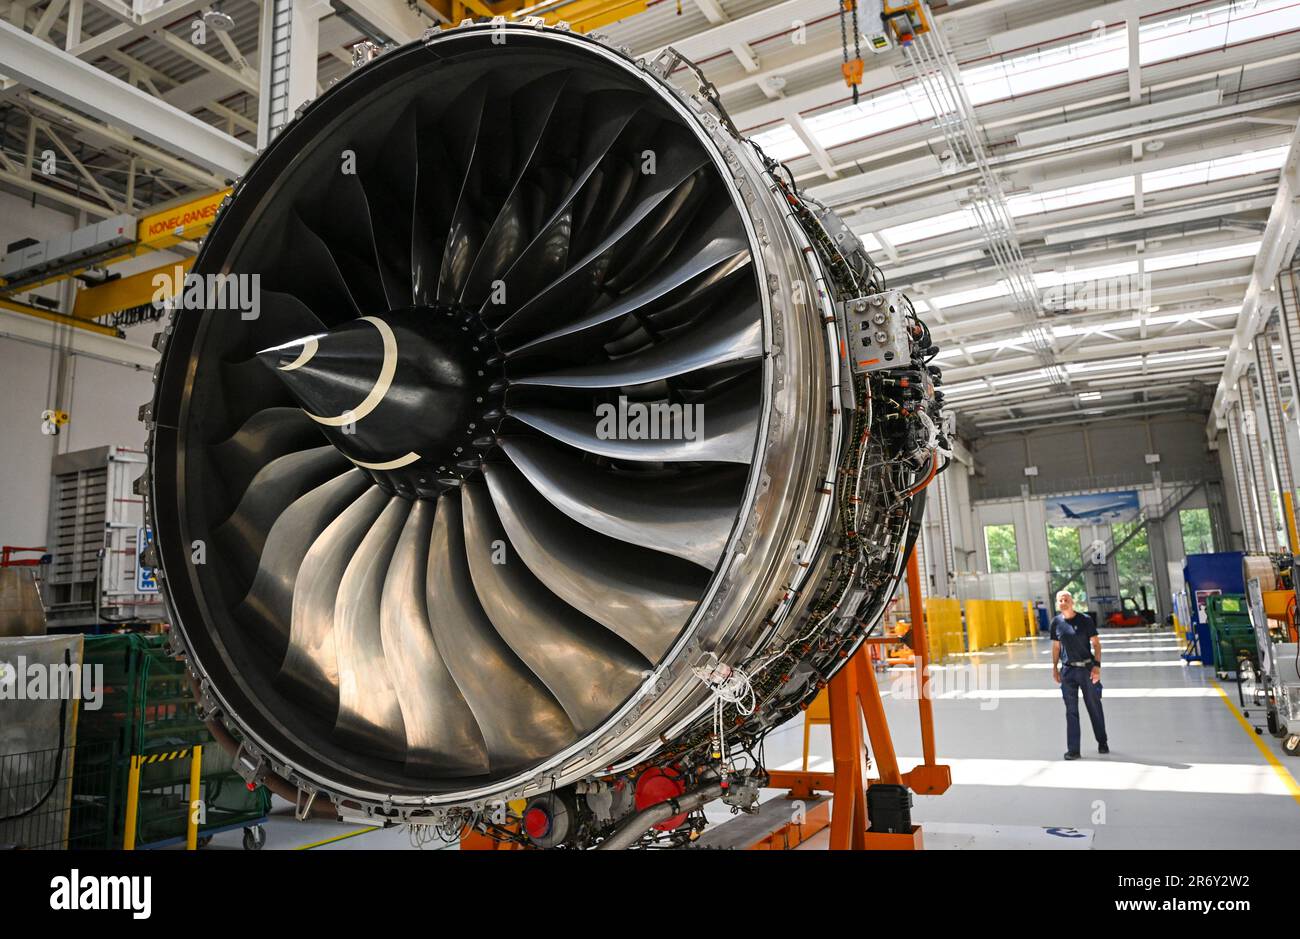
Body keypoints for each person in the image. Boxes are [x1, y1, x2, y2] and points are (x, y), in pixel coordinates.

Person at [1050, 590, 1108, 760]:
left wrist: (1097, 666)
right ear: (1057, 603)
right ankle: (1073, 750)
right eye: (1060, 600)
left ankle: (1102, 741)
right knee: (1071, 711)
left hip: (1087, 670)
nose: (1063, 602)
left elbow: (1096, 645)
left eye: (1066, 599)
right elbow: (1056, 647)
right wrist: (1054, 667)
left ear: (1072, 602)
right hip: (1067, 671)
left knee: (1094, 707)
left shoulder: (1085, 620)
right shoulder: (1056, 623)